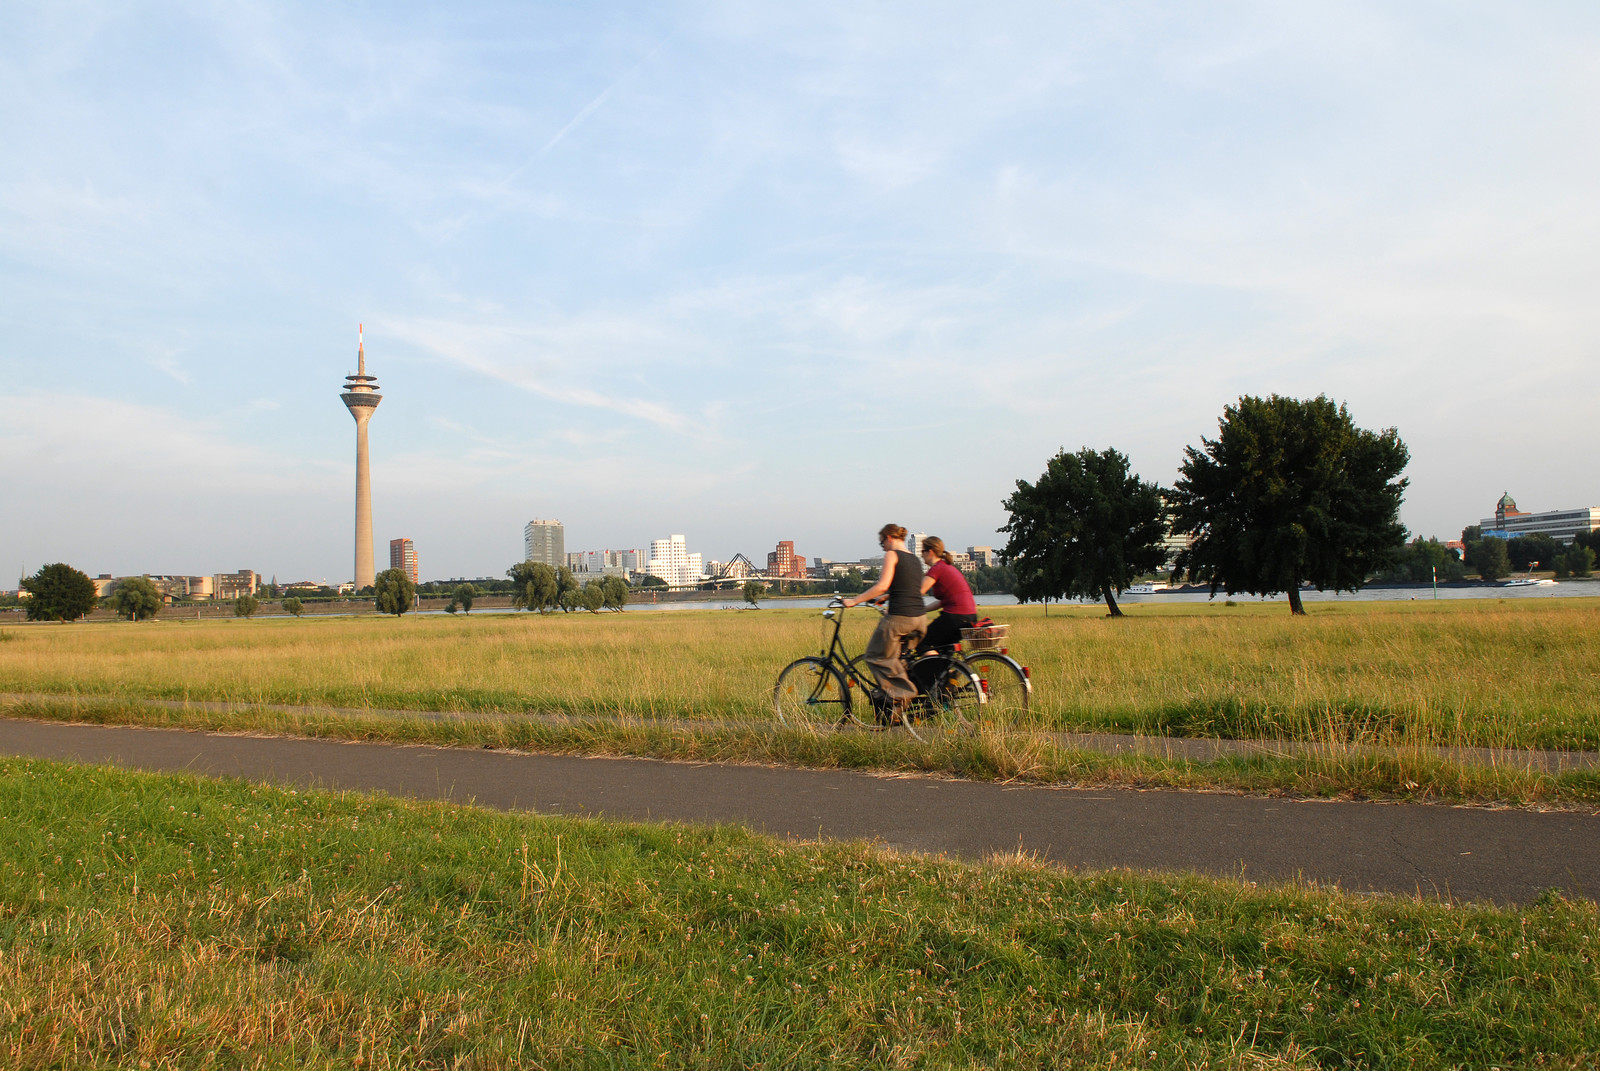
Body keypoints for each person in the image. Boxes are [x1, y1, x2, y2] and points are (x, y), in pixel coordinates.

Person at [841, 524, 926, 715]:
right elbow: (905, 588)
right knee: (898, 660)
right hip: (920, 619)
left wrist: (854, 601)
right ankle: (896, 710)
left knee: (874, 656)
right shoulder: (915, 559)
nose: (883, 548)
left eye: (882, 544)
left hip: (901, 619)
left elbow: (882, 585)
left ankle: (904, 693)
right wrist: (885, 598)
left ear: (889, 537)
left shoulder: (892, 555)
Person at [915, 536, 978, 654]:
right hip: (969, 616)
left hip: (956, 616)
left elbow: (917, 592)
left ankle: (935, 666)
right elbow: (942, 602)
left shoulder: (937, 569)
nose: (921, 555)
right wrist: (922, 609)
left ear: (930, 552)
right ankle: (947, 666)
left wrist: (899, 608)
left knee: (922, 643)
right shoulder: (946, 567)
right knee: (943, 649)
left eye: (923, 551)